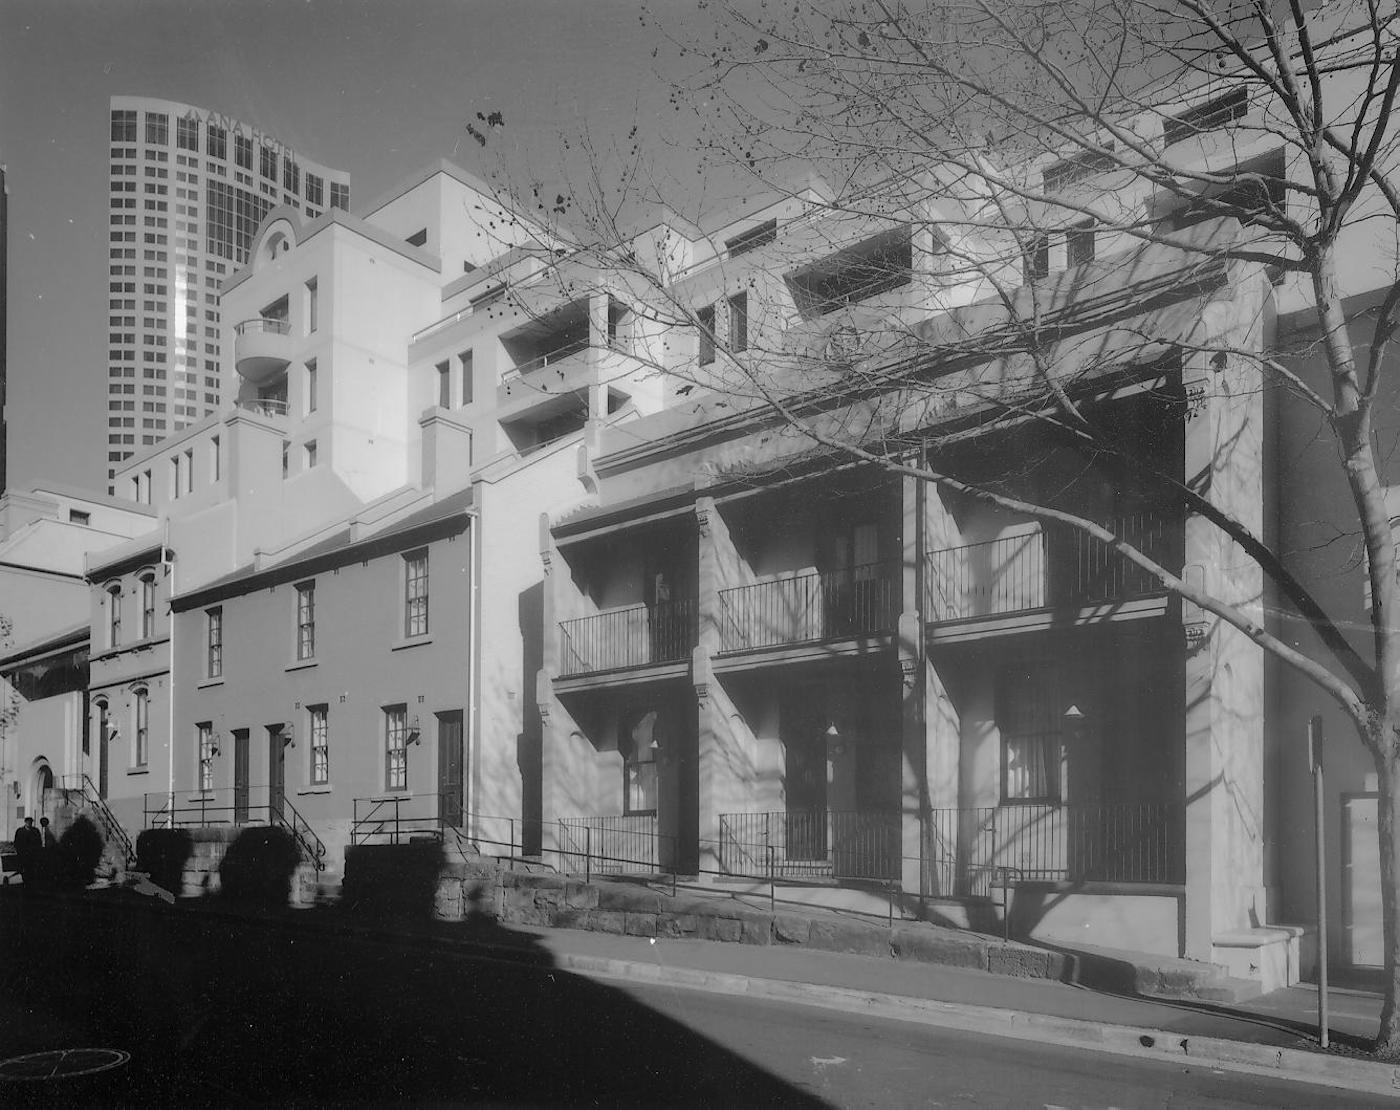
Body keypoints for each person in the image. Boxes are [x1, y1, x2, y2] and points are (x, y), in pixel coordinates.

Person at [13, 817, 40, 884]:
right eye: (28, 822)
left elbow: (39, 842)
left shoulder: (35, 831)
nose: (29, 823)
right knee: (24, 870)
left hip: (32, 855)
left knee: (32, 870)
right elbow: (16, 842)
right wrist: (18, 851)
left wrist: (37, 851)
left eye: (30, 822)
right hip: (23, 855)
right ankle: (25, 882)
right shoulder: (20, 831)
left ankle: (30, 883)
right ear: (25, 822)